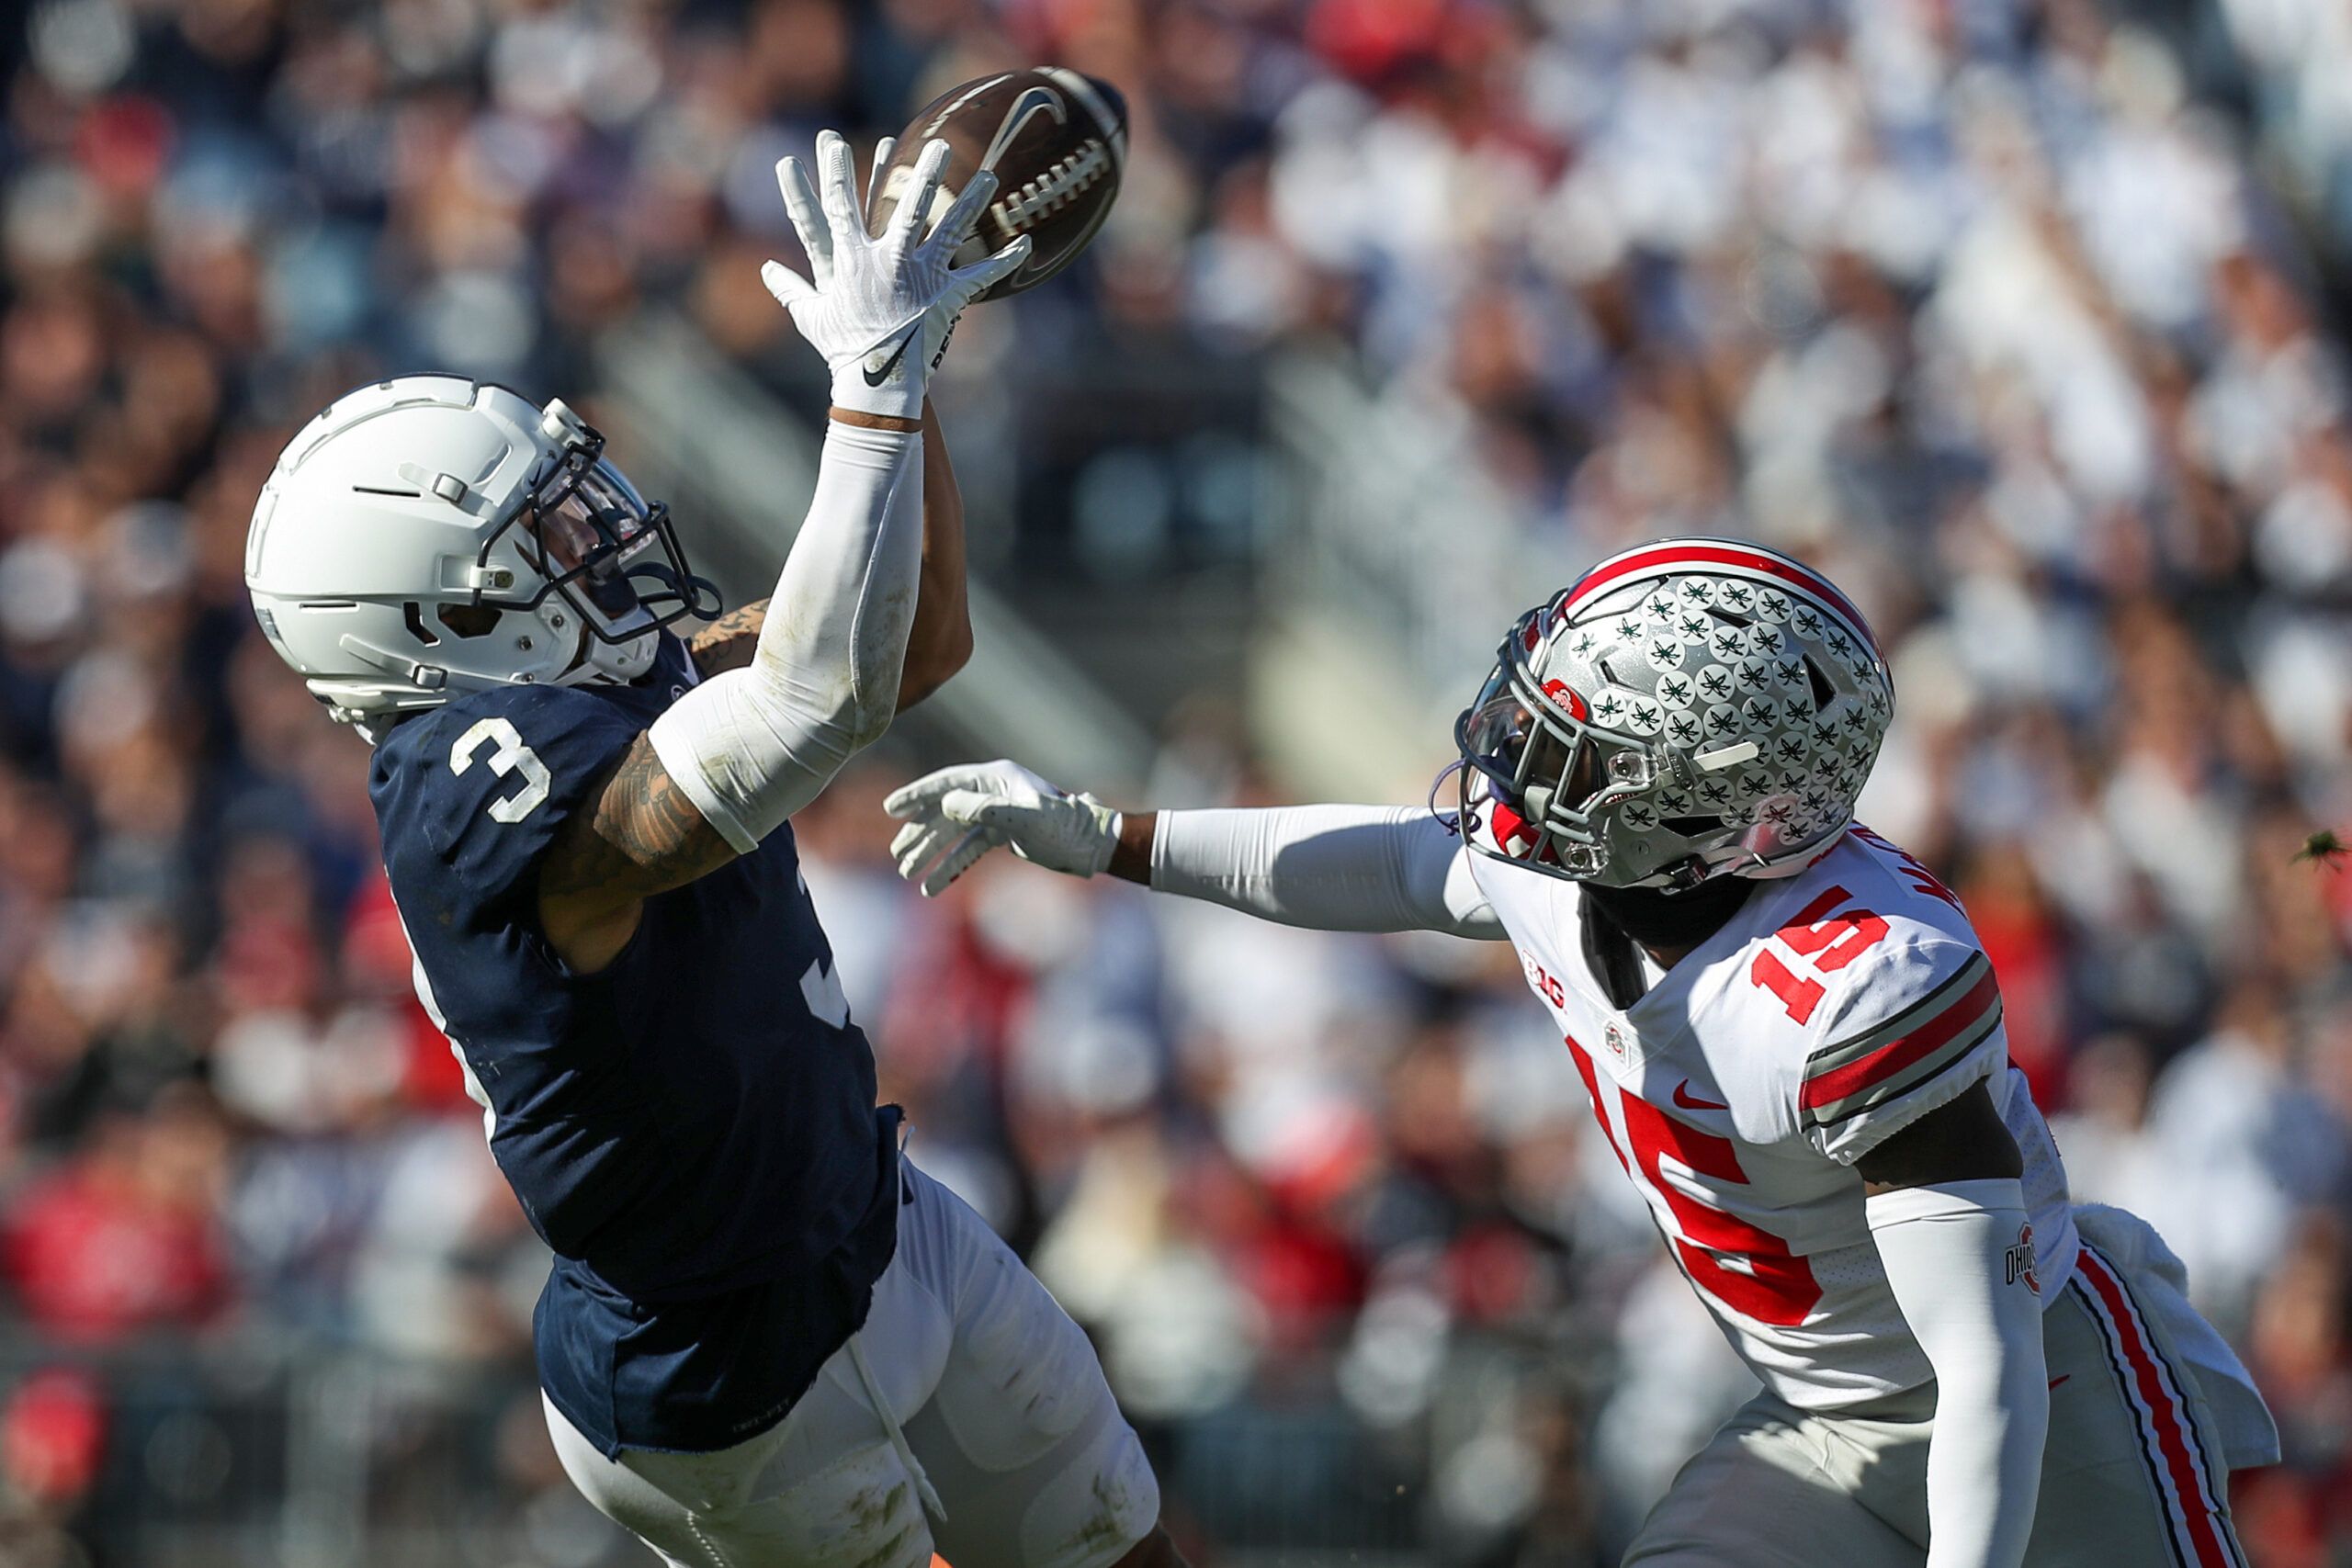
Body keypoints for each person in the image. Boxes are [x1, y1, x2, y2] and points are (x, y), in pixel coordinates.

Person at [887, 537, 2279, 1568]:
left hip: (2049, 1394)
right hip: (1819, 1418)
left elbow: (1981, 1367)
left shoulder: (1858, 989)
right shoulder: (1572, 865)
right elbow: (1382, 869)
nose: (1520, 759)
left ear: (1716, 808)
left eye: (1577, 745)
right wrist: (1100, 835)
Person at [243, 130, 1183, 1568]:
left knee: (1130, 1546)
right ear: (438, 621)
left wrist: (912, 367)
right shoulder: (461, 782)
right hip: (721, 1375)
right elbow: (821, 698)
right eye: (538, 527)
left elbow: (913, 641)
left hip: (870, 1216)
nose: (594, 526)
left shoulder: (595, 682)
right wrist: (864, 387)